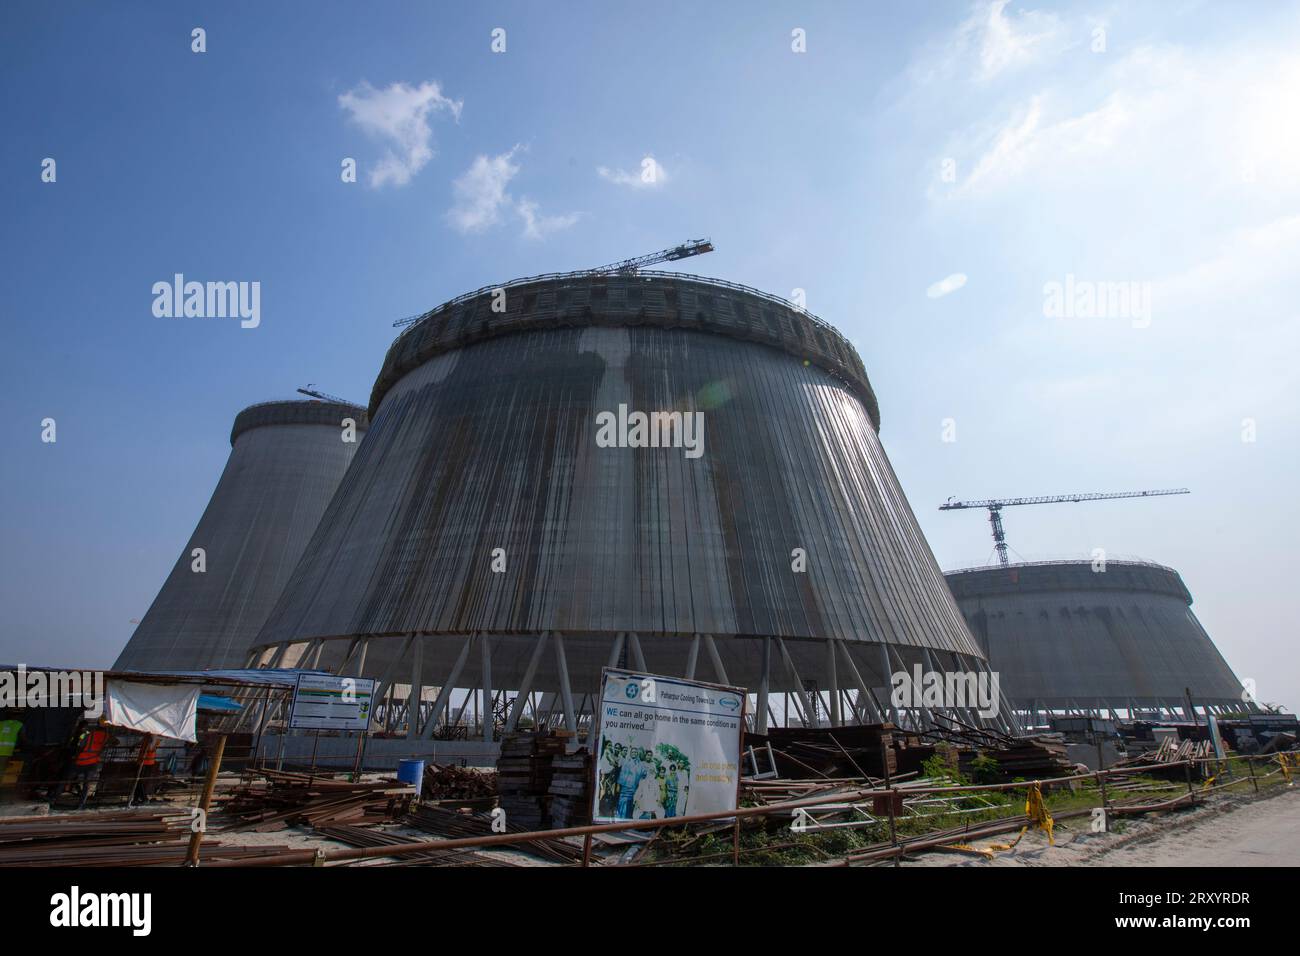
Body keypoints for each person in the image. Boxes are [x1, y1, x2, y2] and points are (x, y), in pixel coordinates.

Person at [51, 720, 114, 810]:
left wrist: (74, 756)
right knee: (86, 784)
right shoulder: (106, 736)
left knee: (65, 779)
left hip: (80, 761)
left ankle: (54, 798)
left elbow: (80, 746)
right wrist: (103, 747)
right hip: (93, 762)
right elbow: (115, 742)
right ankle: (81, 804)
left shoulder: (89, 734)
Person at [615, 746, 647, 819]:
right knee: (623, 804)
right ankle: (621, 820)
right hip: (625, 788)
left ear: (637, 754)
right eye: (632, 752)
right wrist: (618, 786)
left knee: (632, 805)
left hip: (635, 788)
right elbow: (622, 774)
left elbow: (644, 774)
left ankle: (629, 822)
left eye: (635, 752)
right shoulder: (626, 762)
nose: (634, 753)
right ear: (630, 753)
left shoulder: (640, 764)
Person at [0, 712, 23, 790]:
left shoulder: (1, 723)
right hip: (6, 752)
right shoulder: (19, 725)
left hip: (4, 751)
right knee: (2, 772)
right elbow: (22, 738)